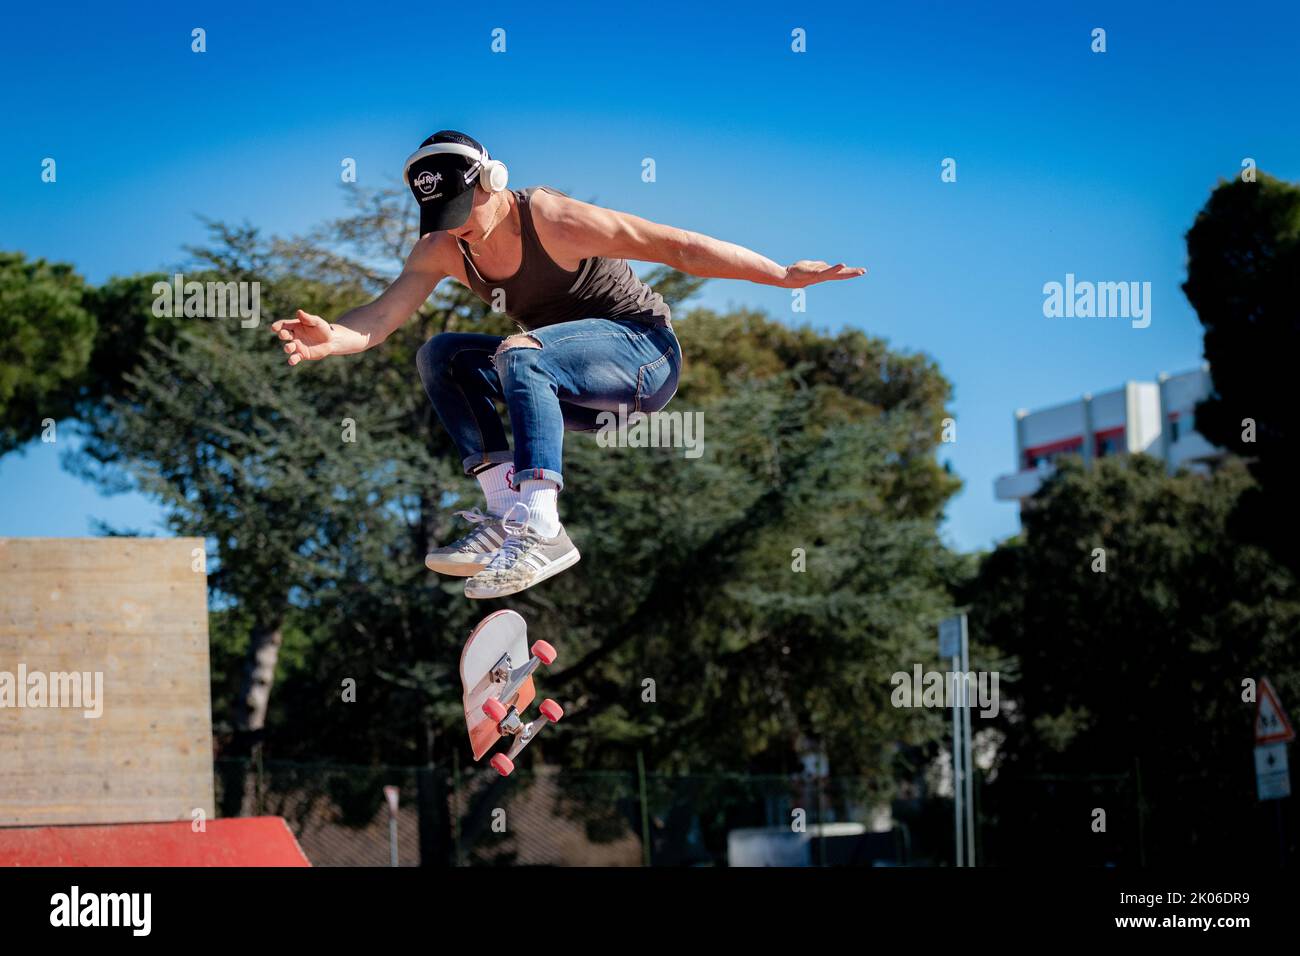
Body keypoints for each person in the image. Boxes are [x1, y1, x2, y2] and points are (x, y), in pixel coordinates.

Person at [272, 130, 864, 599]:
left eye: (464, 210)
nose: (459, 230)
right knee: (442, 355)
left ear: (492, 182)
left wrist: (782, 275)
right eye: (444, 217)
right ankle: (507, 514)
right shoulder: (441, 247)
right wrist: (338, 338)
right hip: (565, 385)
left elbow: (674, 246)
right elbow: (384, 313)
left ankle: (542, 529)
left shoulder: (550, 218)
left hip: (642, 358)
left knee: (520, 353)